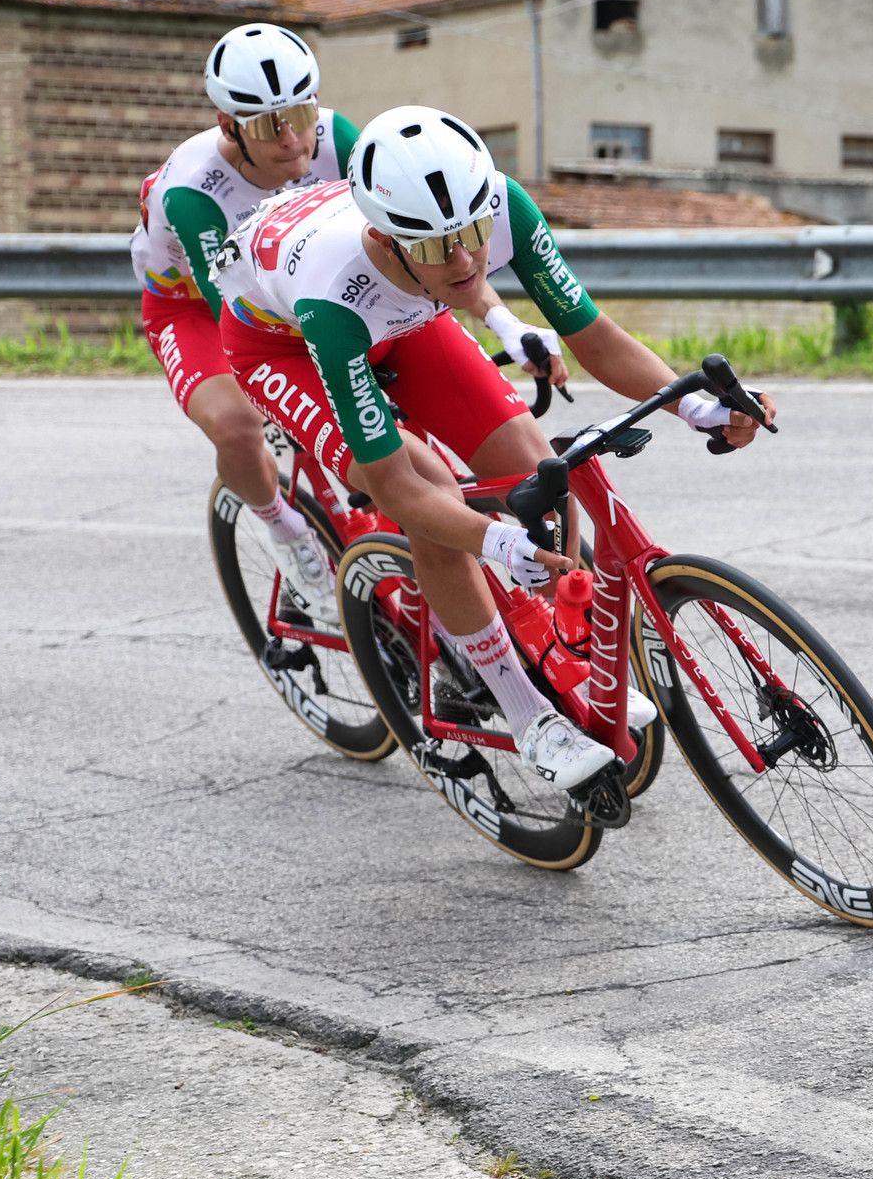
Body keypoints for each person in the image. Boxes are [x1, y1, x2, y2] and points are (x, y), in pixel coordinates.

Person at [213, 105, 773, 789]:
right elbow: (396, 489)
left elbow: (595, 339)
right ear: (387, 241)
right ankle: (525, 713)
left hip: (406, 312)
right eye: (433, 245)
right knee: (430, 495)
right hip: (281, 345)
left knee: (537, 467)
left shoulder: (502, 204)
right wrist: (497, 543)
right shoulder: (335, 293)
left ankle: (558, 644)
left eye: (473, 233)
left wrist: (701, 405)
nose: (465, 259)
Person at [131, 22, 360, 619]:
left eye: (302, 112)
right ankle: (283, 528)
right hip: (193, 305)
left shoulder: (335, 138)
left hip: (296, 280)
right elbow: (228, 309)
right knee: (236, 425)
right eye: (266, 125)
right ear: (228, 125)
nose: (291, 139)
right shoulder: (192, 188)